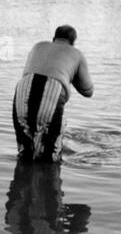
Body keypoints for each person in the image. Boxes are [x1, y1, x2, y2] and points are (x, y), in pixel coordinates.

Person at [12, 25, 94, 162]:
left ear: (54, 38)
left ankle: (22, 179)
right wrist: (71, 73)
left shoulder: (38, 46)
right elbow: (88, 91)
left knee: (25, 150)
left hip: (23, 86)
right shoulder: (76, 54)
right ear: (73, 42)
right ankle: (47, 180)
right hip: (52, 89)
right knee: (49, 154)